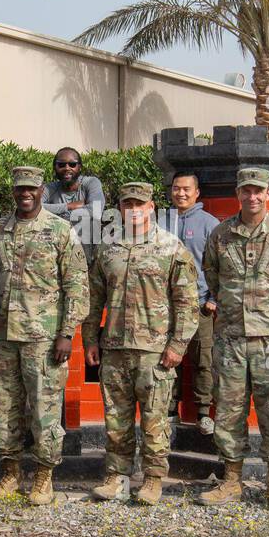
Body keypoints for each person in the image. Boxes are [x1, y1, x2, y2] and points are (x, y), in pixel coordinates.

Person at [197, 168, 269, 511]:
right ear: (238, 194)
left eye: (258, 191)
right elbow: (212, 276)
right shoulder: (220, 235)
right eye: (246, 191)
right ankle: (232, 480)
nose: (252, 197)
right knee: (229, 408)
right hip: (230, 338)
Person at [84, 183, 199, 505]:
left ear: (151, 207)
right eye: (127, 204)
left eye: (140, 204)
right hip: (116, 348)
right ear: (120, 208)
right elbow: (94, 299)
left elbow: (187, 303)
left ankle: (152, 479)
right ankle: (116, 477)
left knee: (154, 420)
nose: (133, 209)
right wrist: (90, 339)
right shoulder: (109, 249)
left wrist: (177, 346)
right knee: (115, 420)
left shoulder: (171, 248)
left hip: (155, 351)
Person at [0, 166, 89, 505]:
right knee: (5, 407)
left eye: (31, 188)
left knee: (44, 409)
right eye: (19, 188)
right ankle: (11, 473)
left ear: (42, 190)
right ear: (13, 191)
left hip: (44, 337)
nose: (25, 193)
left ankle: (44, 476)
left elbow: (76, 285)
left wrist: (66, 334)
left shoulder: (59, 230)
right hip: (4, 335)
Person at [166, 172, 220, 435]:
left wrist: (213, 298)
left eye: (186, 189)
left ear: (197, 192)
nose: (181, 194)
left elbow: (222, 265)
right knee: (168, 357)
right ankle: (169, 410)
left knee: (203, 359)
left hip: (200, 305)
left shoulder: (210, 224)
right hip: (166, 306)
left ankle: (202, 413)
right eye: (176, 188)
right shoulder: (161, 221)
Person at [41, 146, 105, 263]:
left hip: (87, 253)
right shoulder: (50, 188)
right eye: (61, 165)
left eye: (72, 164)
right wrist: (68, 206)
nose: (67, 168)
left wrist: (53, 216)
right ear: (55, 167)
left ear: (79, 167)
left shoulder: (91, 183)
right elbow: (35, 208)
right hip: (56, 253)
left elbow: (95, 210)